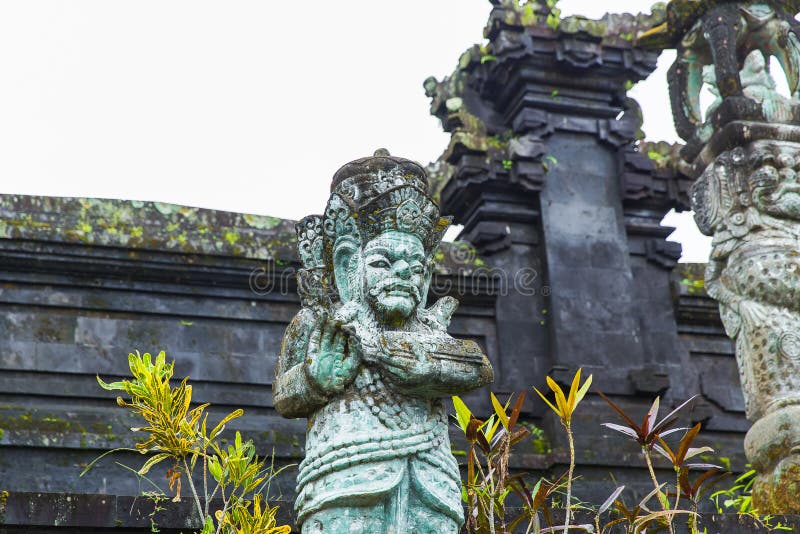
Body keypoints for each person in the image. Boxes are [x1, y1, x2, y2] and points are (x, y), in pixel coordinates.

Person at [273, 150, 494, 533]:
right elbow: (282, 394)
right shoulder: (320, 320)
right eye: (383, 263)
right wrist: (312, 380)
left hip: (430, 479)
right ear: (348, 265)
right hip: (344, 474)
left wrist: (426, 367)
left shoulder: (428, 331)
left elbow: (477, 366)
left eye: (415, 266)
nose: (402, 275)